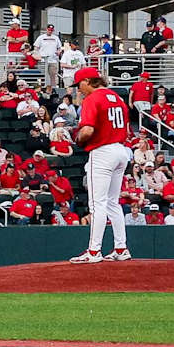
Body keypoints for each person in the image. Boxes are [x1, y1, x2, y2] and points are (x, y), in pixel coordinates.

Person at [72, 62, 139, 263]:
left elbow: (88, 130)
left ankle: (94, 251)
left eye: (79, 85)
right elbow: (127, 130)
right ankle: (121, 248)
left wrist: (76, 138)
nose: (78, 89)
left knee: (97, 203)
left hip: (102, 151)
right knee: (112, 202)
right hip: (121, 150)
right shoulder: (117, 98)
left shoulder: (93, 98)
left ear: (87, 81)